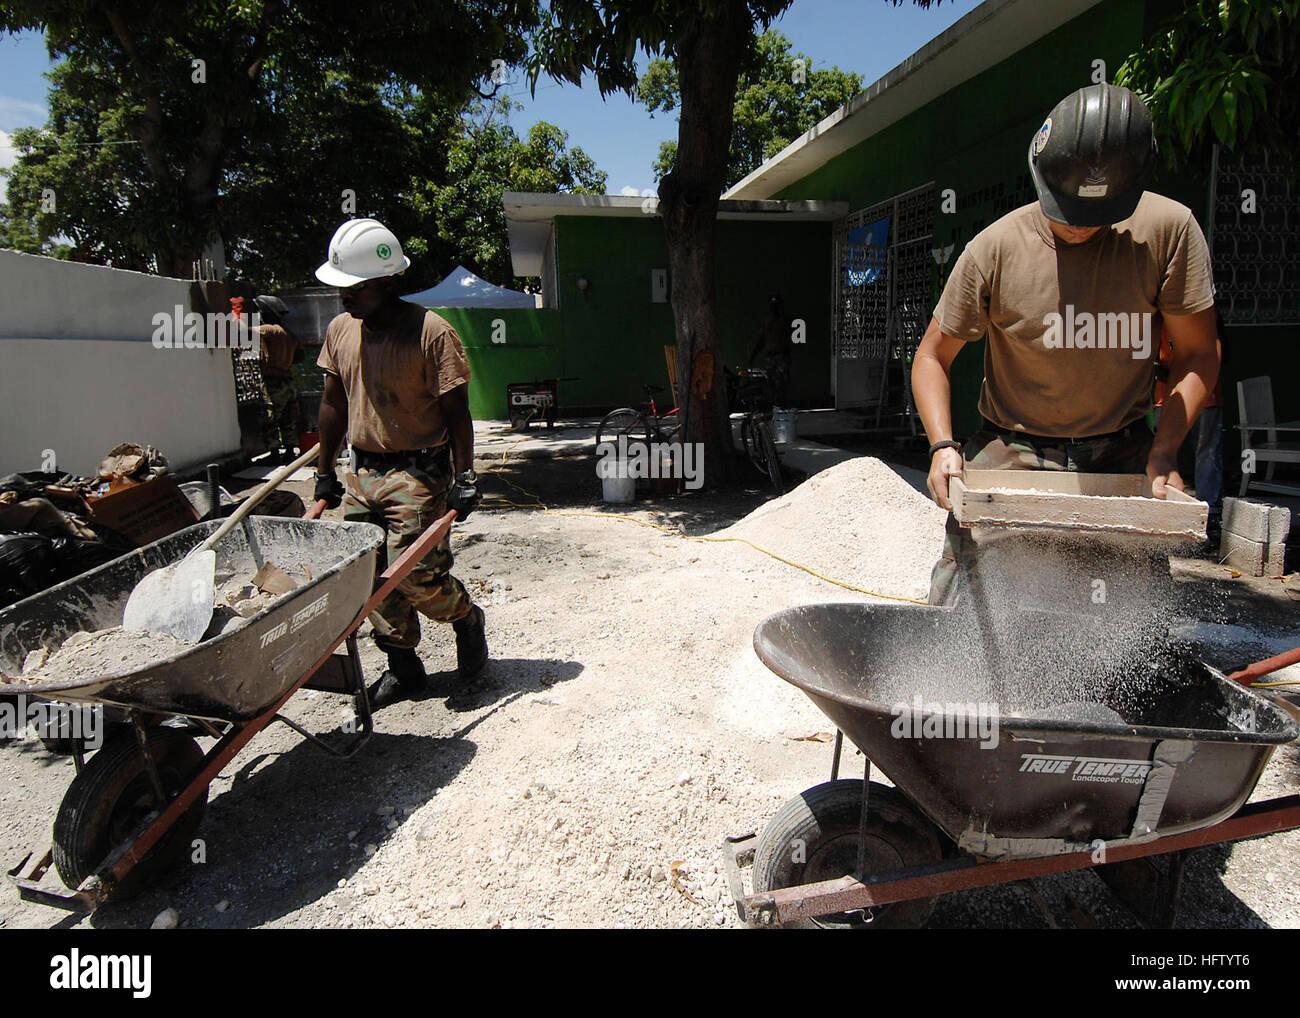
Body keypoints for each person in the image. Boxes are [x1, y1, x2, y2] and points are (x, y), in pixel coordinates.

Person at [911, 83, 1220, 606]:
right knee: (963, 602)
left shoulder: (1170, 232)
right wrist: (943, 446)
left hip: (1121, 448)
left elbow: (1198, 354)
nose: (1075, 228)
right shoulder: (994, 249)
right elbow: (931, 358)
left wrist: (1165, 449)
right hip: (1014, 445)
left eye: (1092, 216)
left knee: (1136, 620)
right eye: (1064, 209)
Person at [313, 218, 486, 707]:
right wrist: (325, 474)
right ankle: (405, 668)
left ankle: (466, 619)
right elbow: (332, 404)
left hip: (420, 469)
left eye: (355, 287)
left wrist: (466, 477)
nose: (344, 296)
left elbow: (458, 413)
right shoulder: (340, 330)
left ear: (386, 282)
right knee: (367, 577)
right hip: (362, 470)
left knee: (414, 572)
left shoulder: (432, 333)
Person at [255, 294, 303, 462]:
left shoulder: (268, 329)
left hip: (273, 382)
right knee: (289, 420)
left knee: (270, 418)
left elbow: (247, 332)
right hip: (289, 382)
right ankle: (290, 451)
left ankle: (274, 453)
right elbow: (300, 357)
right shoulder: (290, 335)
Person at [749, 295, 793, 407]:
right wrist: (753, 354)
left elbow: (787, 335)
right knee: (771, 383)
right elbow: (762, 339)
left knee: (782, 384)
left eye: (776, 305)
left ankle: (782, 407)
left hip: (781, 356)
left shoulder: (784, 320)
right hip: (770, 357)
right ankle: (776, 406)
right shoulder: (767, 321)